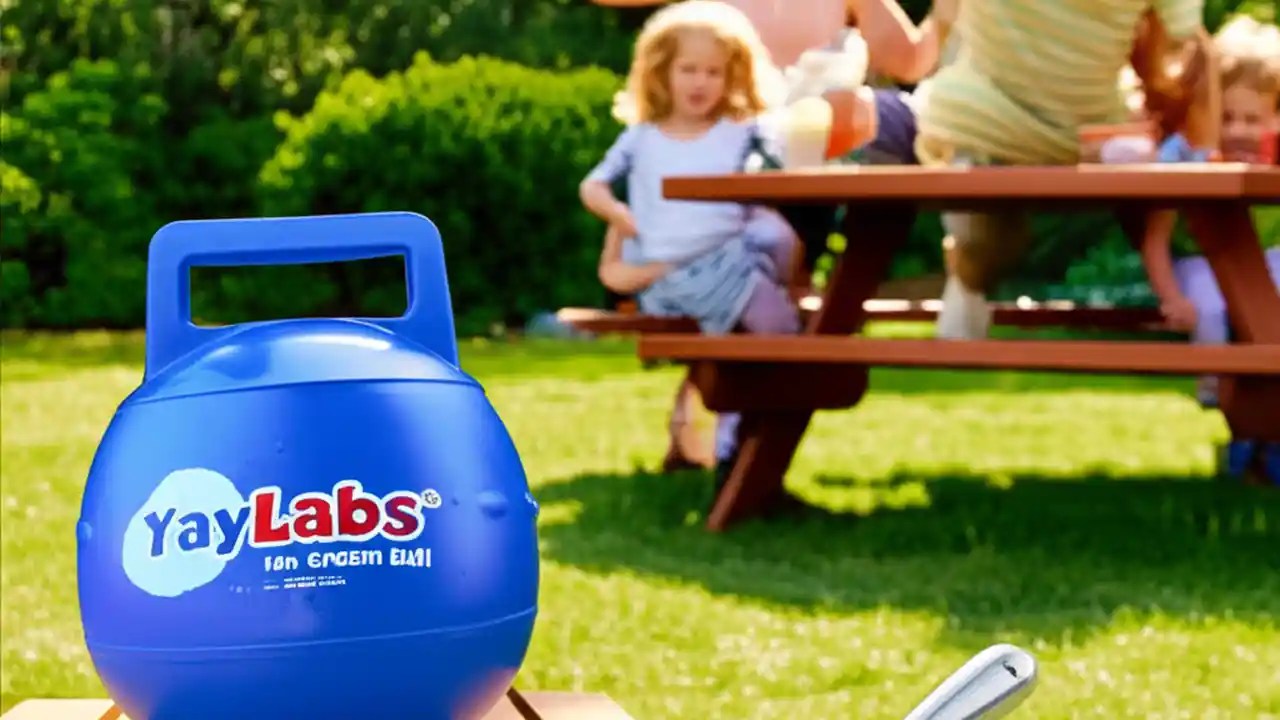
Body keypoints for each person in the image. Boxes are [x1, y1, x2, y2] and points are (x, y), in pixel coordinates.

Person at [579, 0, 803, 484]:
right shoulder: (642, 137)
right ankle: (736, 440)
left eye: (714, 72)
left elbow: (776, 171)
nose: (700, 82)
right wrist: (618, 214)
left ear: (733, 76)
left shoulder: (740, 134)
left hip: (726, 262)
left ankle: (736, 436)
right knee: (779, 329)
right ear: (661, 72)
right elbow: (593, 186)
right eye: (688, 70)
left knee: (770, 296)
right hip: (671, 277)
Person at [916, 0, 1217, 341]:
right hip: (982, 122)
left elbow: (1191, 47)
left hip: (1091, 137)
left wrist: (1205, 150)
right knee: (988, 240)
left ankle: (1201, 305)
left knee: (1154, 210)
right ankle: (968, 281)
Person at [1130, 14, 1279, 476]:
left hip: (1266, 262)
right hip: (1202, 263)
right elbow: (1156, 238)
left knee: (1268, 314)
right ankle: (1219, 392)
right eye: (1226, 117)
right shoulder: (1185, 156)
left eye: (1252, 119)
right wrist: (1171, 297)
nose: (1238, 131)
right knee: (1214, 311)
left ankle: (1259, 438)